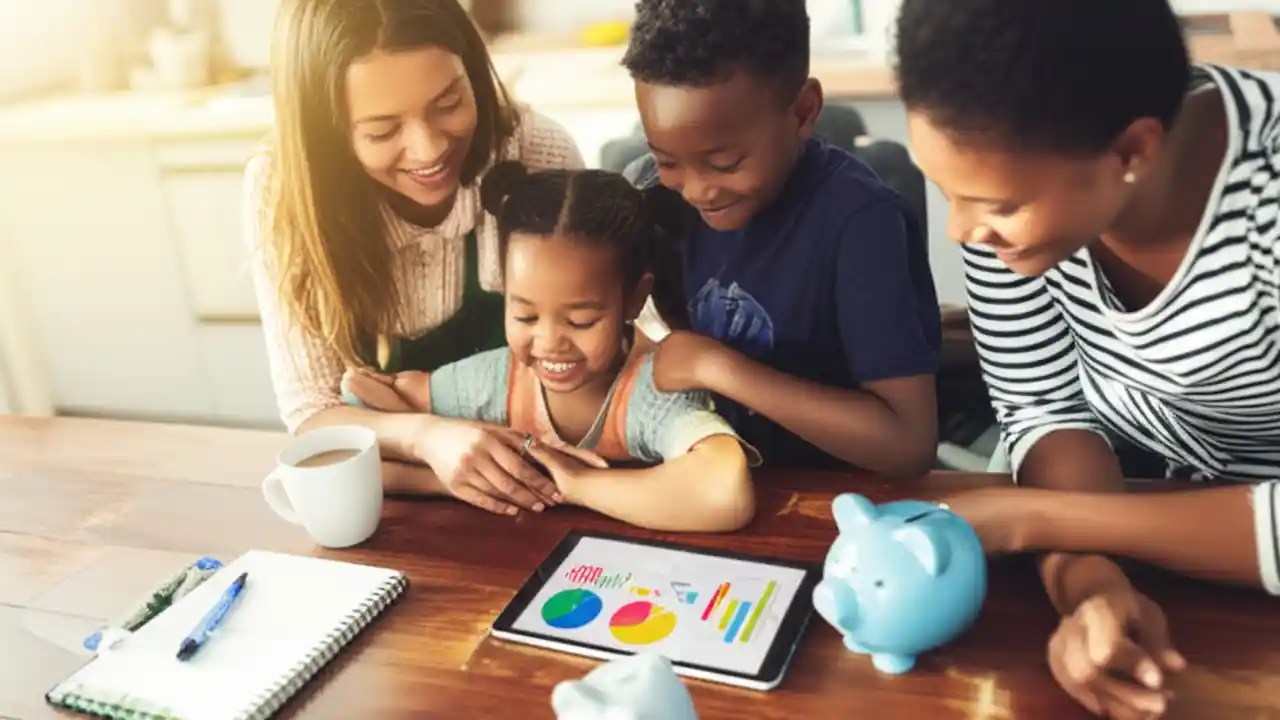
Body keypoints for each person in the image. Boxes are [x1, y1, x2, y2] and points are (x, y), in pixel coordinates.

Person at [895, 0, 1280, 716]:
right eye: (948, 192)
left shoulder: (1267, 199)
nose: (962, 231)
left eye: (996, 206)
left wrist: (1037, 522)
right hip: (1137, 491)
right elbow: (1042, 405)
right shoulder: (1000, 206)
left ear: (1132, 151)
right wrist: (1091, 585)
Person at [245, 0, 586, 517]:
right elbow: (313, 413)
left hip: (549, 486)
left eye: (449, 103)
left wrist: (395, 424)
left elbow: (595, 355)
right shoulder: (284, 194)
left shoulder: (535, 151)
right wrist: (431, 440)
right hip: (412, 505)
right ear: (328, 134)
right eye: (382, 132)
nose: (428, 150)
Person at [341, 163, 758, 532]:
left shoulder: (652, 392)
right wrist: (476, 477)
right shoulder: (494, 381)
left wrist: (573, 483)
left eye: (580, 321)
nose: (549, 343)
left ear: (634, 298)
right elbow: (358, 424)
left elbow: (725, 496)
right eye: (525, 317)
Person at [619, 0, 941, 475]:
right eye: (667, 160)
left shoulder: (860, 223)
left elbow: (908, 443)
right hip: (718, 479)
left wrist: (719, 369)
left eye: (726, 163)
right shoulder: (655, 199)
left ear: (803, 111)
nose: (696, 189)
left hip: (838, 499)